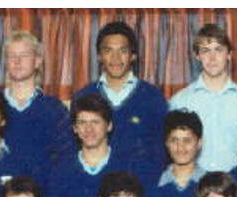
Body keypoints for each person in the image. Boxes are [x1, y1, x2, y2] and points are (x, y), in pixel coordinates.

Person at [72, 21, 168, 171]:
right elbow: (76, 152)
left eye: (122, 51)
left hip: (140, 188)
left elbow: (161, 155)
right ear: (99, 56)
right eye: (108, 51)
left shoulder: (152, 97)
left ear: (133, 56)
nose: (115, 58)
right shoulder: (83, 96)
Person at [45, 93, 133, 197]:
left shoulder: (128, 168)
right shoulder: (60, 171)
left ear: (109, 125)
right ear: (74, 128)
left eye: (95, 122)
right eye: (82, 123)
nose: (89, 129)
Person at [168, 23, 237, 172]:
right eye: (205, 51)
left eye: (218, 50)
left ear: (229, 55)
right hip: (193, 186)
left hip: (232, 187)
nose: (212, 58)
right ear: (197, 56)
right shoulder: (179, 101)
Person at [0, 30, 77, 184]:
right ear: (5, 62)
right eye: (12, 56)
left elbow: (67, 161)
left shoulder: (55, 110)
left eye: (24, 55)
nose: (17, 61)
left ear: (37, 61)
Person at [142, 110, 206, 197]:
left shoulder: (210, 185)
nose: (180, 147)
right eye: (174, 140)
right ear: (166, 143)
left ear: (199, 143)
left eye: (187, 140)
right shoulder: (153, 185)